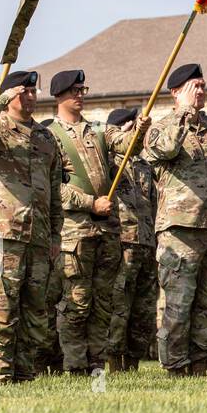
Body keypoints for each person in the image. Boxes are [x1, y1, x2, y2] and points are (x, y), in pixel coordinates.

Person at [0, 71, 63, 384]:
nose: (32, 96)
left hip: (38, 235)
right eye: (25, 91)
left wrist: (56, 235)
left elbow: (55, 190)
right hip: (2, 236)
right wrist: (1, 99)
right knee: (3, 309)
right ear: (10, 95)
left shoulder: (46, 138)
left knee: (35, 311)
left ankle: (24, 374)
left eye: (34, 91)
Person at [48, 70, 148, 376]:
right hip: (75, 232)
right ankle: (75, 366)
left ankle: (96, 367)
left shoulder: (98, 132)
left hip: (106, 231)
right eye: (75, 90)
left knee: (104, 302)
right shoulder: (50, 136)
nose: (80, 94)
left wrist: (141, 129)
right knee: (77, 302)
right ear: (60, 96)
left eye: (83, 89)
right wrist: (91, 203)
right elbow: (53, 187)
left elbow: (127, 144)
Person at [142, 63, 207, 376]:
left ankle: (200, 364)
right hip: (180, 230)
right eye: (193, 86)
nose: (201, 91)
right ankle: (175, 365)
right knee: (179, 303)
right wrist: (184, 114)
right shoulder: (161, 127)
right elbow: (164, 150)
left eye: (202, 85)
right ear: (175, 93)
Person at [104, 107, 158, 372]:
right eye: (130, 125)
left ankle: (134, 362)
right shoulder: (109, 163)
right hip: (122, 242)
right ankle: (113, 362)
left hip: (147, 243)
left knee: (144, 308)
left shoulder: (145, 166)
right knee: (119, 305)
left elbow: (154, 204)